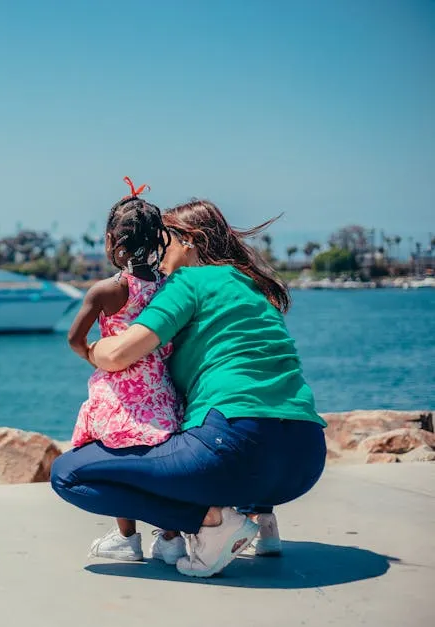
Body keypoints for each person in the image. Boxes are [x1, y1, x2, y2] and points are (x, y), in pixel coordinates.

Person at [50, 199, 327, 578]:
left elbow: (118, 355)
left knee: (68, 474)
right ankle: (262, 520)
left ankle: (210, 522)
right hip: (305, 460)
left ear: (189, 241)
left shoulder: (189, 281)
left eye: (164, 241)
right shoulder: (251, 286)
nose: (159, 252)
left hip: (238, 447)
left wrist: (91, 348)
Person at [65, 180, 185, 564]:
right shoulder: (171, 288)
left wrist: (97, 358)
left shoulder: (105, 291)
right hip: (162, 392)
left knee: (117, 467)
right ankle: (170, 538)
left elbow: (74, 339)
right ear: (157, 240)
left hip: (117, 396)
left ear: (111, 239)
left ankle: (127, 538)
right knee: (160, 468)